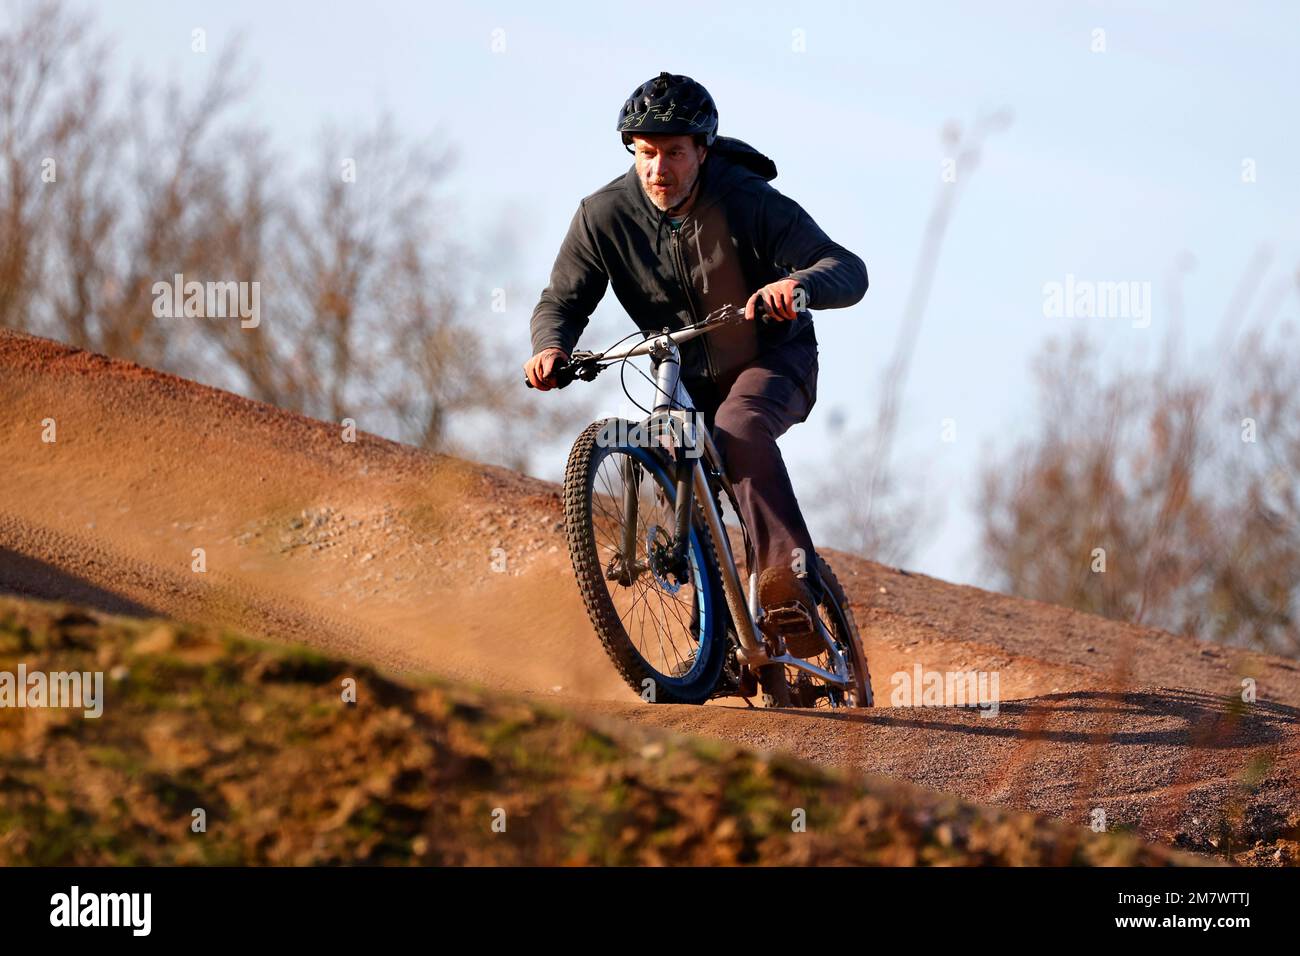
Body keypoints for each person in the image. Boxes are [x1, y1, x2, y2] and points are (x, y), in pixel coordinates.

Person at [525, 71, 868, 660]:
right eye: (647, 154)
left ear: (702, 150)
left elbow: (845, 267)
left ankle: (790, 582)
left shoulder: (747, 200)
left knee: (736, 429)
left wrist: (796, 285)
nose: (660, 170)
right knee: (673, 451)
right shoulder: (603, 215)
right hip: (683, 375)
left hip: (773, 360)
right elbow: (562, 300)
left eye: (675, 153)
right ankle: (713, 634)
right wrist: (550, 346)